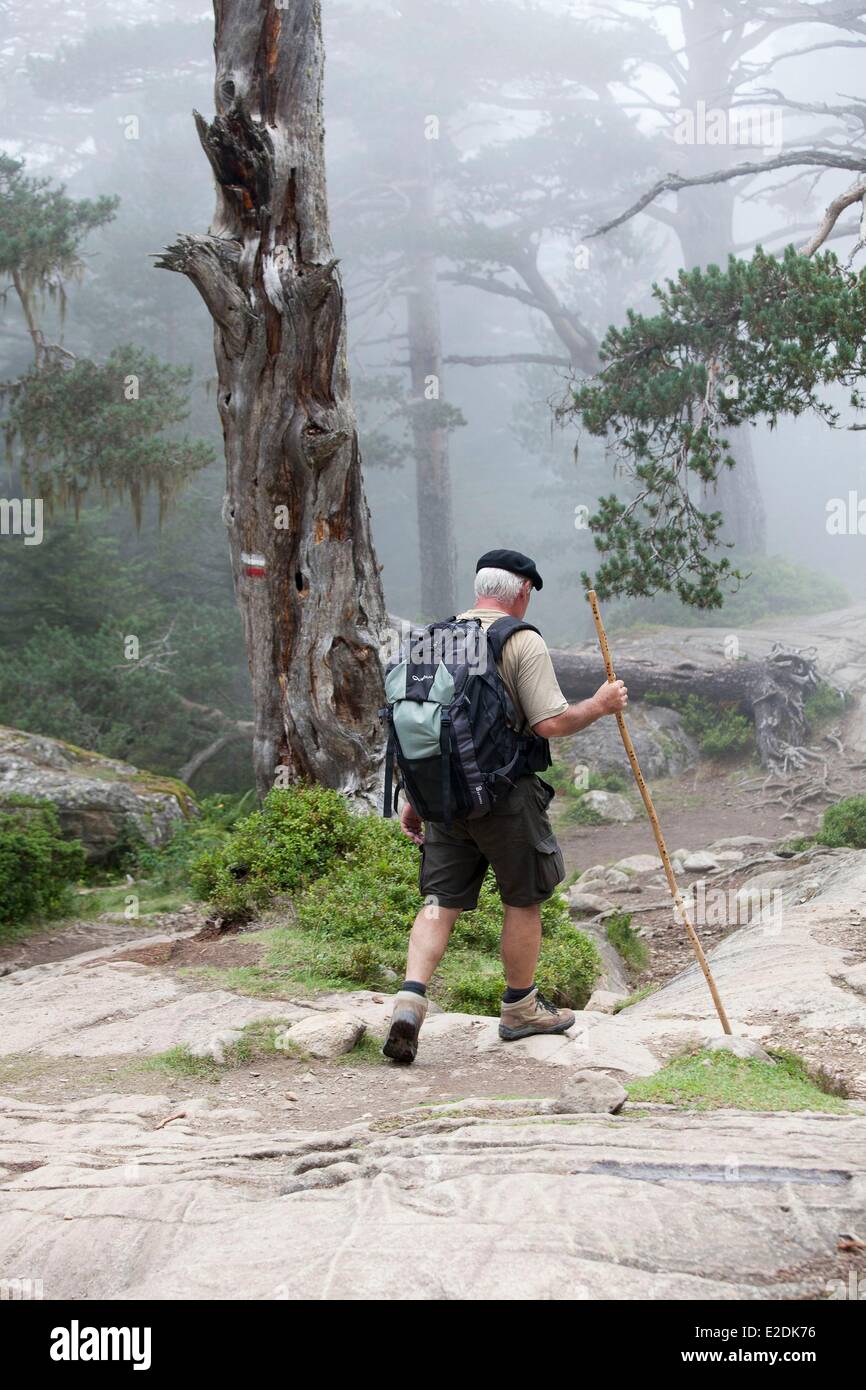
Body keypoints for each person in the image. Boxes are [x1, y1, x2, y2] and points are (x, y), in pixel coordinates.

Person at [383, 548, 628, 1064]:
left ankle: (410, 998)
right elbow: (550, 723)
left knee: (439, 900)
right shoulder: (521, 639)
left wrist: (416, 798)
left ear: (480, 589)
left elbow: (427, 723)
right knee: (522, 898)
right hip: (504, 797)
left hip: (445, 799)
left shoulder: (437, 639)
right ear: (522, 592)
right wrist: (601, 704)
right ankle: (520, 1009)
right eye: (529, 593)